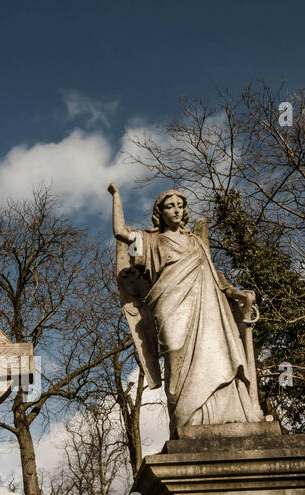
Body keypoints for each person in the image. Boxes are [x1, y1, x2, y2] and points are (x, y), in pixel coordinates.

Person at [108, 183, 261, 433]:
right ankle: (183, 416)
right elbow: (121, 232)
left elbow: (214, 274)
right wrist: (116, 196)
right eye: (170, 206)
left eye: (180, 206)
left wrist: (235, 292)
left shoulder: (196, 242)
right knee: (174, 349)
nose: (176, 211)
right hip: (169, 303)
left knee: (216, 351)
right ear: (160, 212)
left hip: (208, 304)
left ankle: (218, 414)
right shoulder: (149, 241)